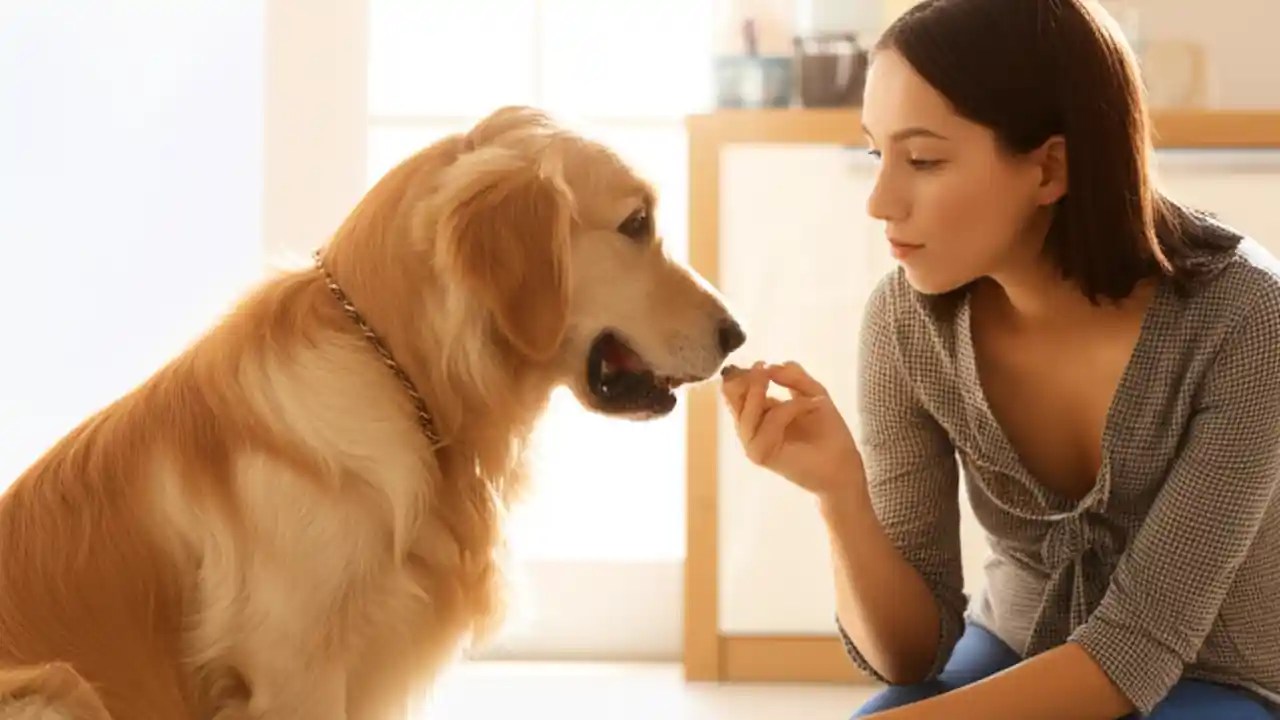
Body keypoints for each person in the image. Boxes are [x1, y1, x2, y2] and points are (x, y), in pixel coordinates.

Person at [719, 0, 1280, 718]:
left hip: (1212, 673)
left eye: (923, 159)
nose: (881, 200)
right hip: (1016, 644)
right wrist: (840, 494)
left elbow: (1135, 648)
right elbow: (909, 657)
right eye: (875, 153)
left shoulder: (1244, 318)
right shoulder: (905, 323)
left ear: (1049, 168)